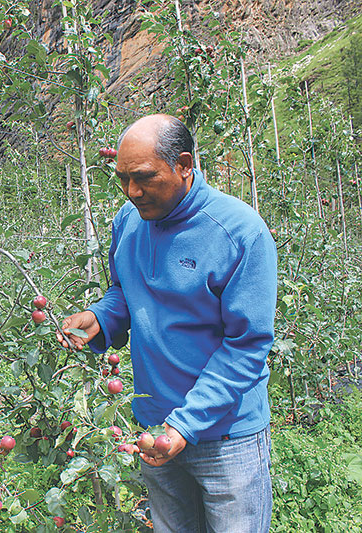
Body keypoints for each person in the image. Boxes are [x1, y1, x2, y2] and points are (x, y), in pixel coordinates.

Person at [57, 114, 276, 532]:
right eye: (121, 178)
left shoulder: (239, 232)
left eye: (143, 177)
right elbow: (125, 291)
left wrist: (185, 424)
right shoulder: (128, 221)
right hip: (154, 427)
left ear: (184, 164)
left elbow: (247, 345)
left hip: (226, 438)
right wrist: (100, 318)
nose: (131, 192)